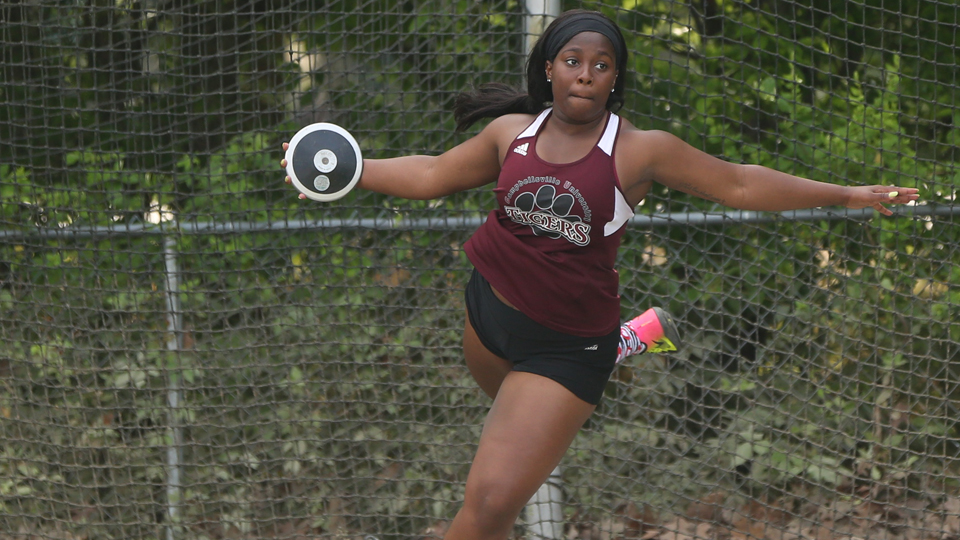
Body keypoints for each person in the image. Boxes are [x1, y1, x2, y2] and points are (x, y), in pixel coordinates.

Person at [281, 9, 919, 539]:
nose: (586, 75)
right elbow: (432, 173)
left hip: (563, 348)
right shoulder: (512, 132)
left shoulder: (640, 150)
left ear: (615, 79)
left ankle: (610, 346)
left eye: (602, 65)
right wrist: (346, 169)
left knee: (487, 508)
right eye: (572, 61)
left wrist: (845, 194)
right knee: (500, 500)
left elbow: (741, 182)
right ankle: (627, 341)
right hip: (486, 318)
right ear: (550, 69)